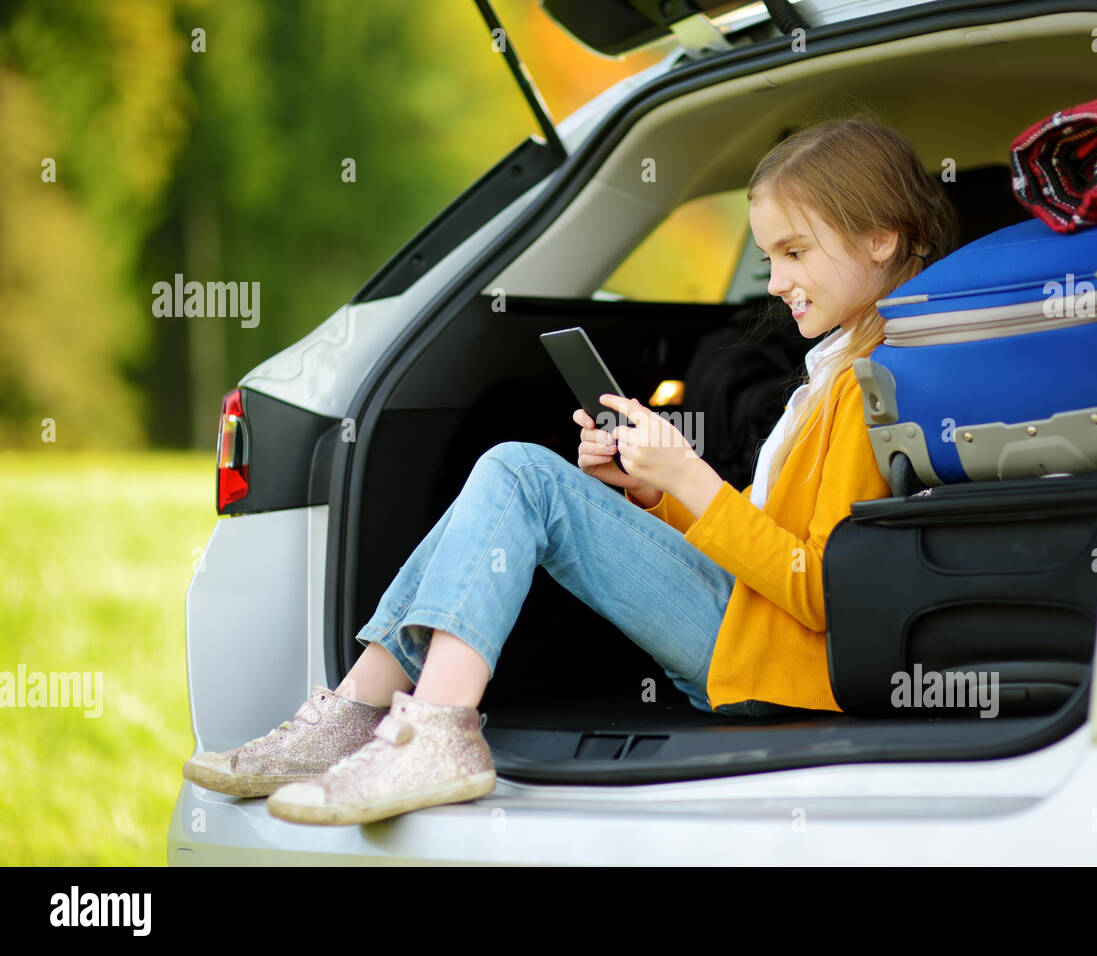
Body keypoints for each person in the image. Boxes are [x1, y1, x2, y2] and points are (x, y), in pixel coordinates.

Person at [182, 110, 959, 826]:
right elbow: (768, 539)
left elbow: (821, 592)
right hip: (751, 636)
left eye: (795, 252)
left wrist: (692, 477)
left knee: (521, 474)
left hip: (776, 667)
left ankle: (435, 728)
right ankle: (360, 711)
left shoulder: (870, 389)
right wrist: (659, 493)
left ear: (881, 239)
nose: (777, 280)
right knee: (519, 477)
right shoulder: (833, 371)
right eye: (767, 257)